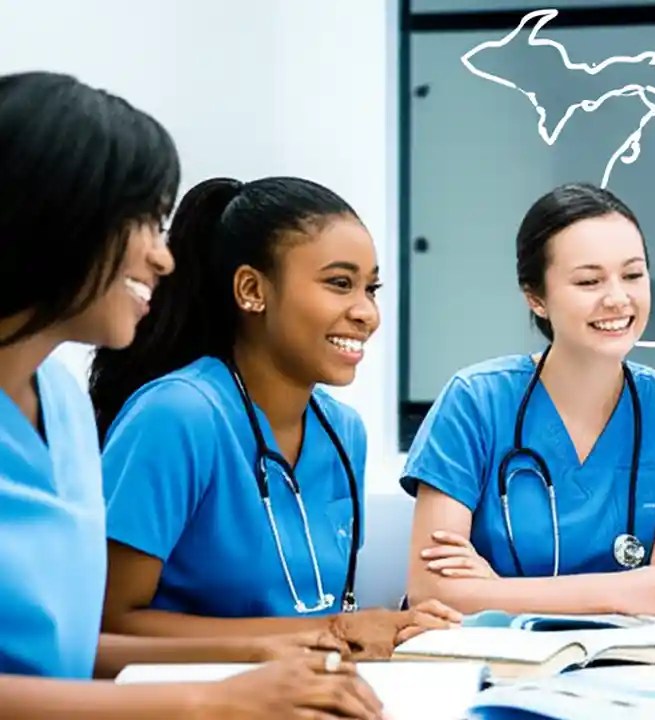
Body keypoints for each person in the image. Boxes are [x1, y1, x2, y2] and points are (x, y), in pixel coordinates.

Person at [0, 69, 383, 719]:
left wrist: (293, 654)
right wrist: (208, 698)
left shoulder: (59, 404)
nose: (164, 258)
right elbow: (106, 628)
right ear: (54, 216)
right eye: (142, 223)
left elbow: (73, 651)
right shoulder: (179, 410)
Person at [90, 175, 460, 659]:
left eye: (371, 288)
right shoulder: (178, 415)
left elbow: (314, 609)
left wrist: (393, 628)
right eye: (340, 284)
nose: (366, 312)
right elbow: (108, 625)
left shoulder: (344, 433)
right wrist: (326, 634)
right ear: (251, 290)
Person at [401, 182, 655, 615]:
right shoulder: (475, 401)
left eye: (633, 275)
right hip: (495, 668)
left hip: (628, 667)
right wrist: (620, 592)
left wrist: (495, 592)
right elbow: (432, 593)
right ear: (536, 297)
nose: (617, 298)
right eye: (589, 280)